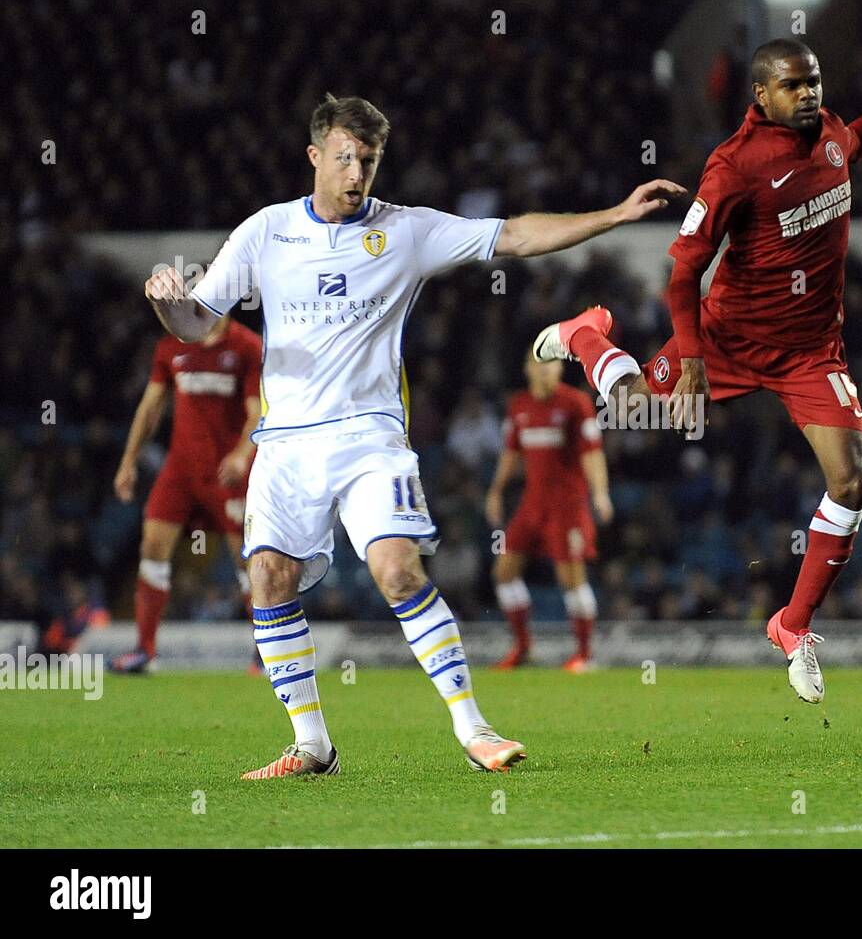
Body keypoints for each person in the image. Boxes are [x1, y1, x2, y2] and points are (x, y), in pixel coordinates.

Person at [142, 94, 684, 777]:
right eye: (344, 158)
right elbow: (194, 322)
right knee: (268, 577)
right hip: (285, 444)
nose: (356, 173)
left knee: (398, 569)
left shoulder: (406, 230)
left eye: (367, 161)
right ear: (314, 157)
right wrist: (167, 300)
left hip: (370, 437)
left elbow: (512, 235)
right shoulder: (265, 233)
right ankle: (313, 745)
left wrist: (614, 214)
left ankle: (474, 727)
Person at [532, 38, 862, 703]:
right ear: (762, 95)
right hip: (728, 336)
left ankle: (791, 625)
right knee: (635, 410)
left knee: (852, 480)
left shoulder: (830, 130)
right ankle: (585, 334)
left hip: (811, 349)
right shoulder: (735, 166)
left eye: (813, 81)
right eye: (793, 86)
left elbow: (858, 140)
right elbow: (683, 273)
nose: (809, 93)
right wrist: (692, 357)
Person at [111, 315, 261, 672]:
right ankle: (145, 651)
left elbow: (257, 412)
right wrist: (128, 461)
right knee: (151, 546)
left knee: (248, 561)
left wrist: (242, 455)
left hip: (227, 470)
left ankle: (266, 653)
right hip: (181, 470)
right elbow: (150, 407)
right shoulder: (171, 345)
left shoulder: (247, 346)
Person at [486, 355, 613, 672]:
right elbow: (511, 452)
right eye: (538, 363)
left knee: (570, 579)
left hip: (567, 507)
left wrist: (600, 492)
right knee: (503, 572)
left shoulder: (576, 403)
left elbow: (592, 452)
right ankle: (524, 647)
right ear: (527, 368)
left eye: (551, 364)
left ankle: (584, 654)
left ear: (559, 369)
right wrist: (496, 491)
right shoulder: (518, 405)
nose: (544, 369)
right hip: (531, 505)